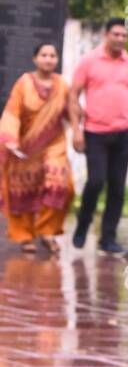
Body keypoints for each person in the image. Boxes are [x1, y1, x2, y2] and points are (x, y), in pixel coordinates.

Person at [68, 18, 128, 255]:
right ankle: (83, 223)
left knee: (117, 188)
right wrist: (75, 129)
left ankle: (108, 238)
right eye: (116, 34)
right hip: (95, 133)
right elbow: (73, 95)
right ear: (106, 34)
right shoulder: (89, 61)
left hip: (123, 134)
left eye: (124, 35)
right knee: (95, 182)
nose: (121, 39)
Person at [0, 42, 74, 255]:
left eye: (53, 55)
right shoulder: (24, 83)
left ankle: (47, 231)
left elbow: (71, 113)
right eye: (44, 55)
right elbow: (12, 113)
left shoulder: (62, 85)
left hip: (54, 144)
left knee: (61, 185)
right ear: (35, 59)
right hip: (25, 146)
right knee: (23, 191)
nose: (49, 59)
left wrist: (81, 129)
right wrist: (10, 139)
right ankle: (25, 236)